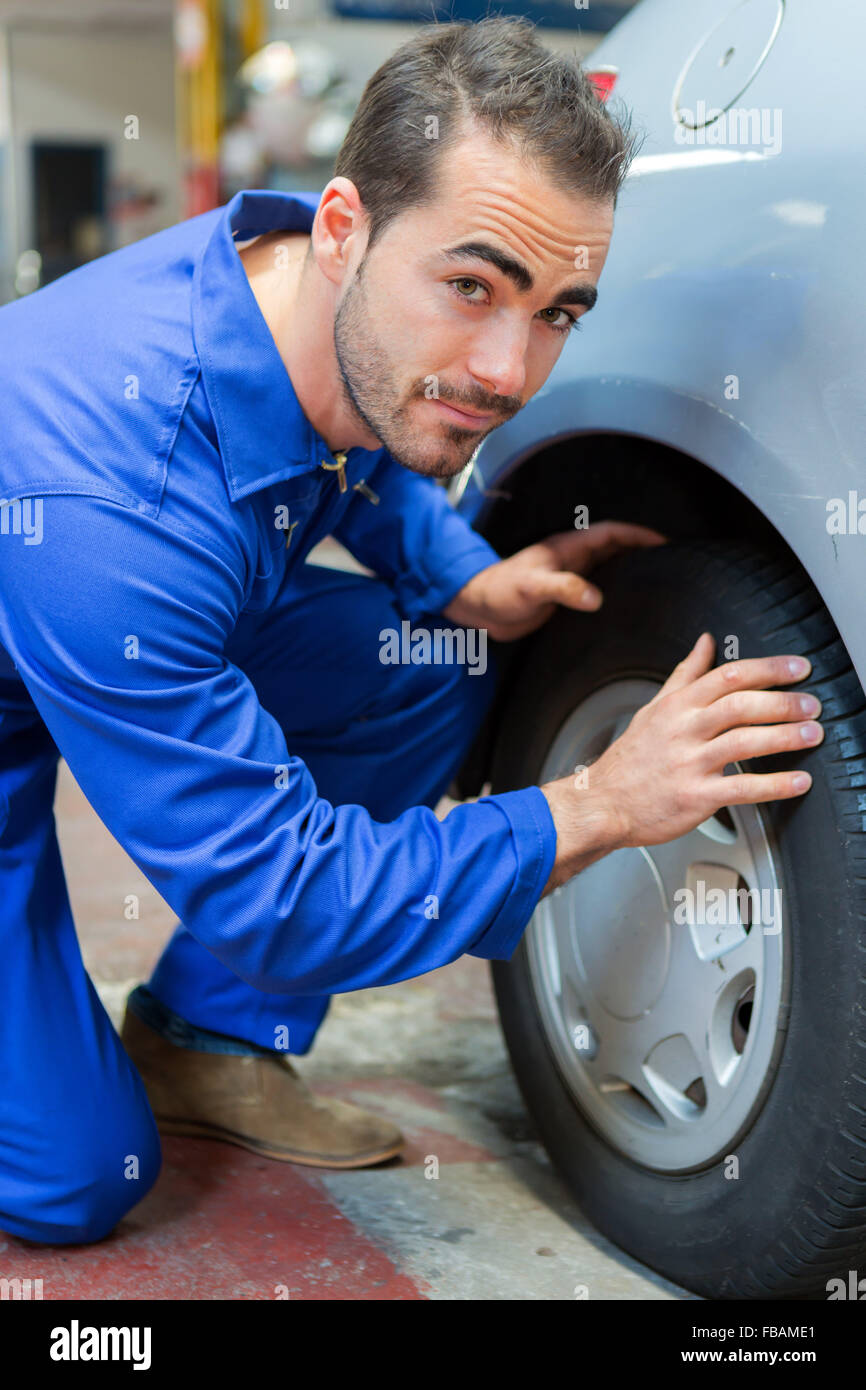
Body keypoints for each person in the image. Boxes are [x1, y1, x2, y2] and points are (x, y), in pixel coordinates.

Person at [0, 17, 823, 1245]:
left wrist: (461, 575)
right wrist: (596, 805)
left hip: (96, 631)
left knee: (433, 660)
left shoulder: (306, 291)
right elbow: (283, 896)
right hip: (59, 627)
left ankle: (204, 1041)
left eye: (557, 312)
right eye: (473, 287)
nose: (506, 367)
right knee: (81, 1179)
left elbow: (367, 443)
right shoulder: (119, 502)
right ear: (344, 227)